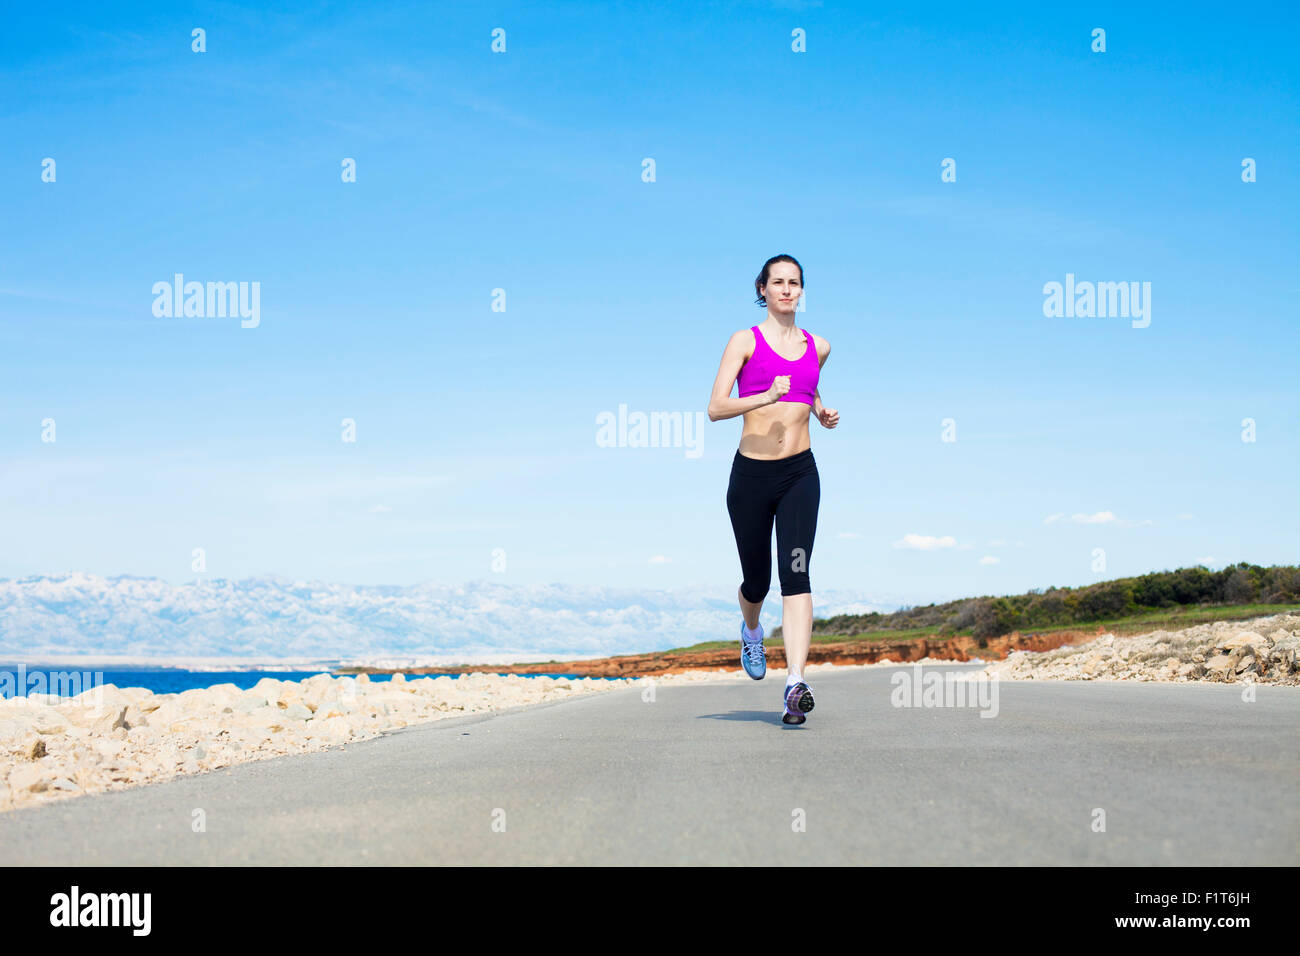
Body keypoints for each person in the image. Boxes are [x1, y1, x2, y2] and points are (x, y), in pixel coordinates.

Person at [707, 254, 838, 725]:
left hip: (800, 473)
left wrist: (820, 411)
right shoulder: (745, 340)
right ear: (762, 289)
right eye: (777, 282)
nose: (786, 289)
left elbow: (809, 387)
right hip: (752, 476)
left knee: (796, 573)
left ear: (802, 291)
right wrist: (765, 395)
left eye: (794, 283)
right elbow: (716, 407)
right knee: (757, 580)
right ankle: (751, 628)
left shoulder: (818, 346)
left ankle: (795, 681)